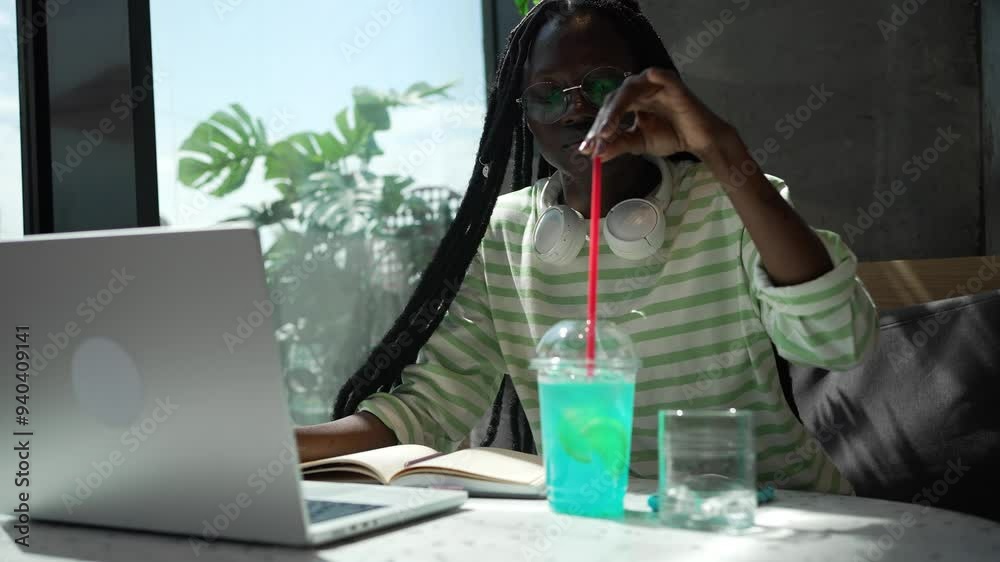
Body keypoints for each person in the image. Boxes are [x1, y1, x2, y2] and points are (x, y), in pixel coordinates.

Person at [296, 0, 877, 494]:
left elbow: (837, 339)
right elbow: (430, 405)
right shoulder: (505, 236)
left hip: (774, 517)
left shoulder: (731, 200)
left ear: (651, 90)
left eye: (602, 85)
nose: (575, 107)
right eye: (547, 95)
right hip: (605, 525)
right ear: (522, 117)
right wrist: (276, 449)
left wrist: (722, 151)